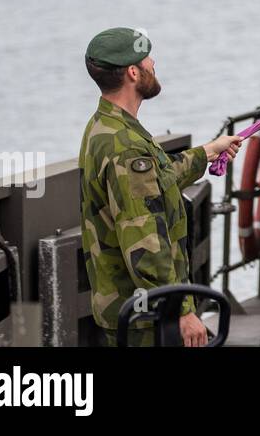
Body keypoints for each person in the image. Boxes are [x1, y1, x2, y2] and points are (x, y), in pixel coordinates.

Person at [78, 27, 241, 347]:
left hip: (133, 308)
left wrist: (208, 152)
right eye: (146, 58)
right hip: (148, 319)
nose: (153, 62)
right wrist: (182, 310)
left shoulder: (106, 126)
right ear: (133, 72)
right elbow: (144, 239)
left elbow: (155, 180)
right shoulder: (126, 147)